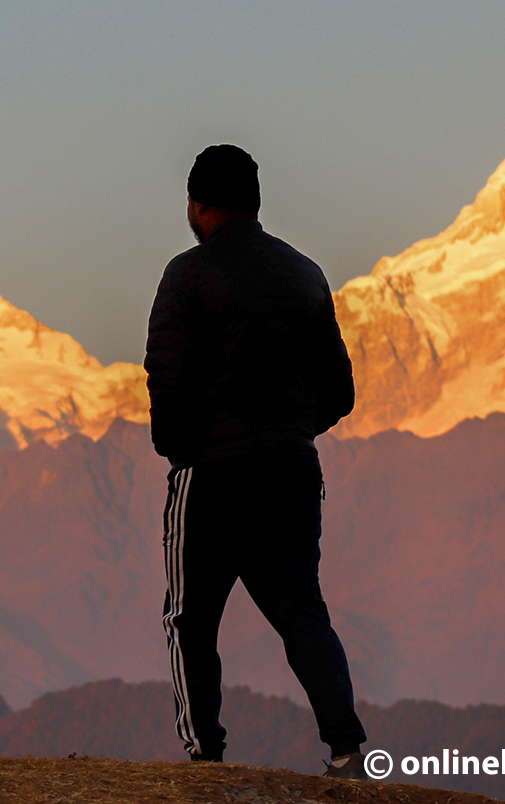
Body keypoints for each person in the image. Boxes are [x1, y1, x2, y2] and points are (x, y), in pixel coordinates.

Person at [144, 145, 369, 778]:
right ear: (257, 201)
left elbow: (168, 376)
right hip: (291, 472)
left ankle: (206, 757)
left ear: (197, 204)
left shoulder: (185, 276)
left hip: (210, 475)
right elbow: (340, 392)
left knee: (189, 617)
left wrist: (182, 448)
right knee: (302, 612)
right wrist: (291, 431)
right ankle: (347, 748)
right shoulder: (306, 274)